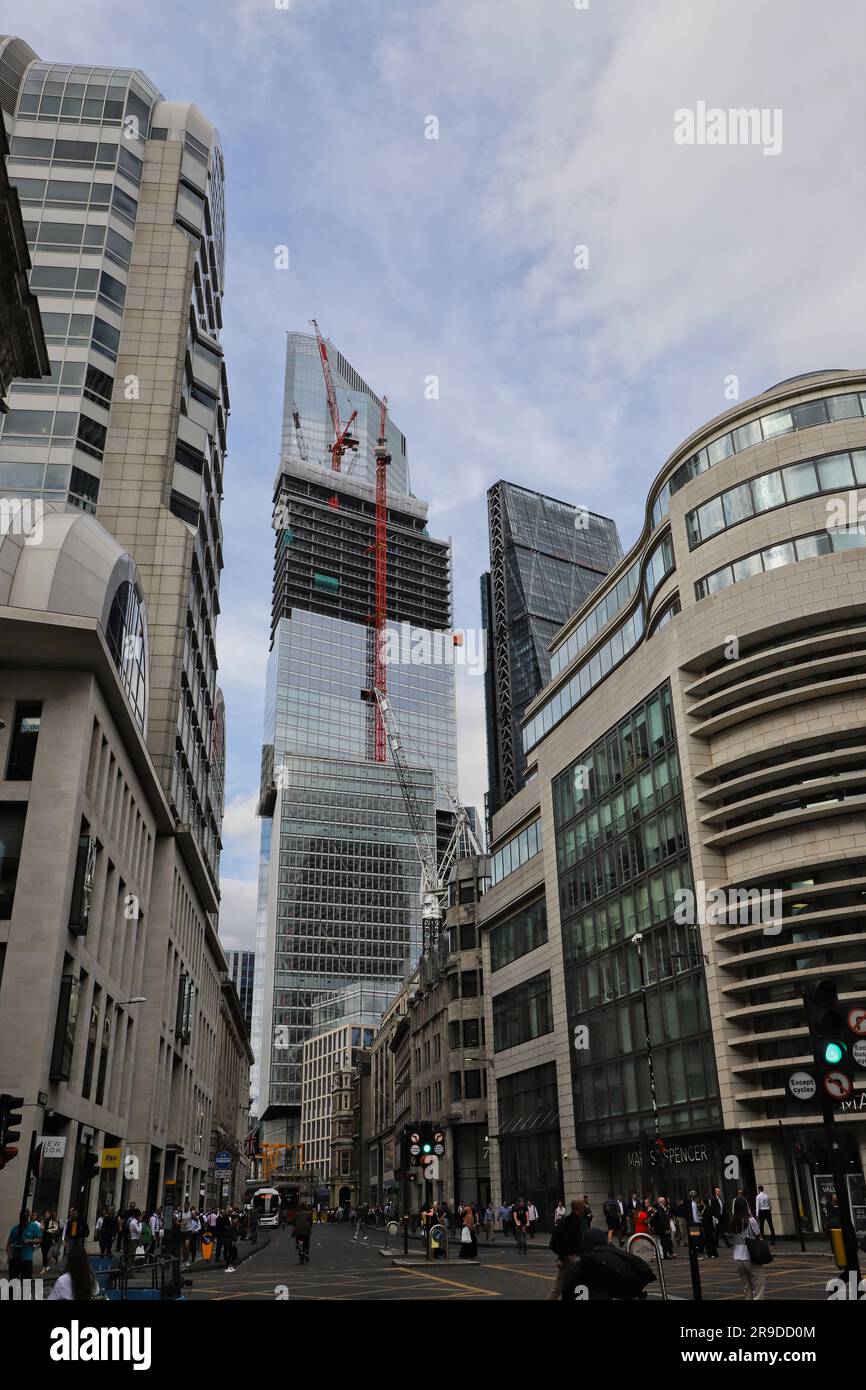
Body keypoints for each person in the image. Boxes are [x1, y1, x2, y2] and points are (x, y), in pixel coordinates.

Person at [546, 1199, 585, 1300]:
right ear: (578, 1209)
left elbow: (557, 1242)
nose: (584, 1208)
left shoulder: (566, 1221)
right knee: (583, 1283)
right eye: (582, 1207)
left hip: (567, 1258)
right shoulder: (574, 1223)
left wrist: (561, 1257)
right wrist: (563, 1257)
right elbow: (567, 1242)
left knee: (558, 1287)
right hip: (572, 1258)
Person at [731, 1195, 766, 1300]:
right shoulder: (750, 1220)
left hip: (738, 1257)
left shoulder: (733, 1221)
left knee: (747, 1286)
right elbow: (758, 1235)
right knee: (758, 1286)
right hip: (751, 1255)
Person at [6, 1209, 43, 1279]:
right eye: (22, 1217)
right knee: (13, 1283)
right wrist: (10, 1257)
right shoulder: (15, 1229)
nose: (23, 1219)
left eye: (25, 1217)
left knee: (27, 1284)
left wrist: (30, 1241)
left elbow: (40, 1239)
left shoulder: (33, 1226)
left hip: (27, 1259)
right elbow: (8, 1245)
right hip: (15, 1259)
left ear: (28, 1217)